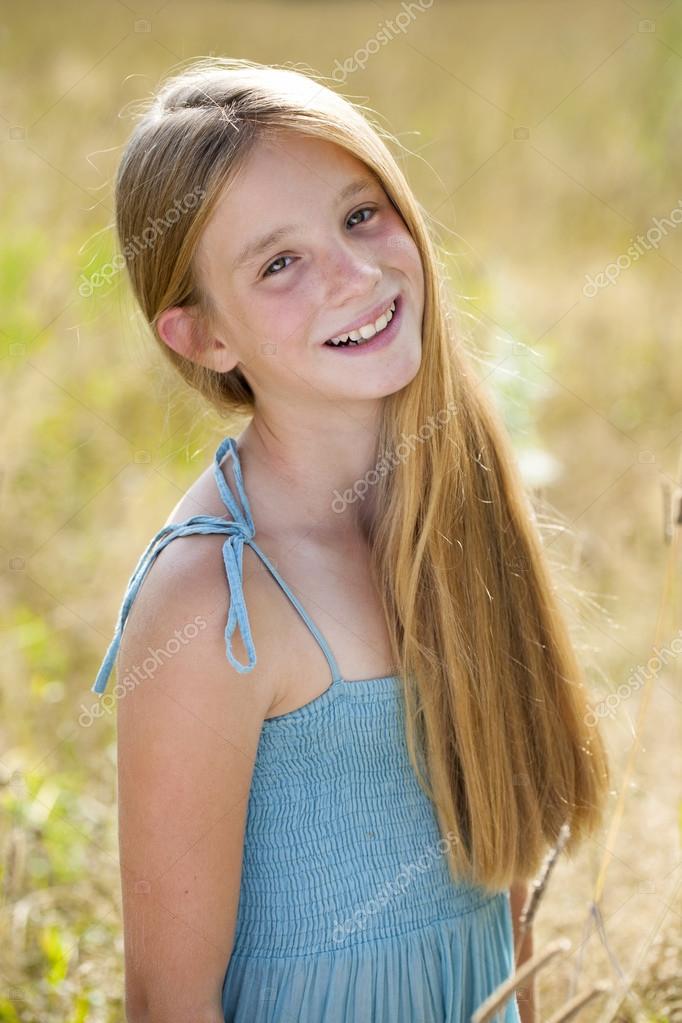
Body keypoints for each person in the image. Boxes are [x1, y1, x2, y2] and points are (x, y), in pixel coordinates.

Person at [90, 57, 610, 1023]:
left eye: (360, 214)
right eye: (278, 263)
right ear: (203, 337)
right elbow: (168, 999)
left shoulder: (457, 497)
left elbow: (506, 903)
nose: (357, 273)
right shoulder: (217, 602)